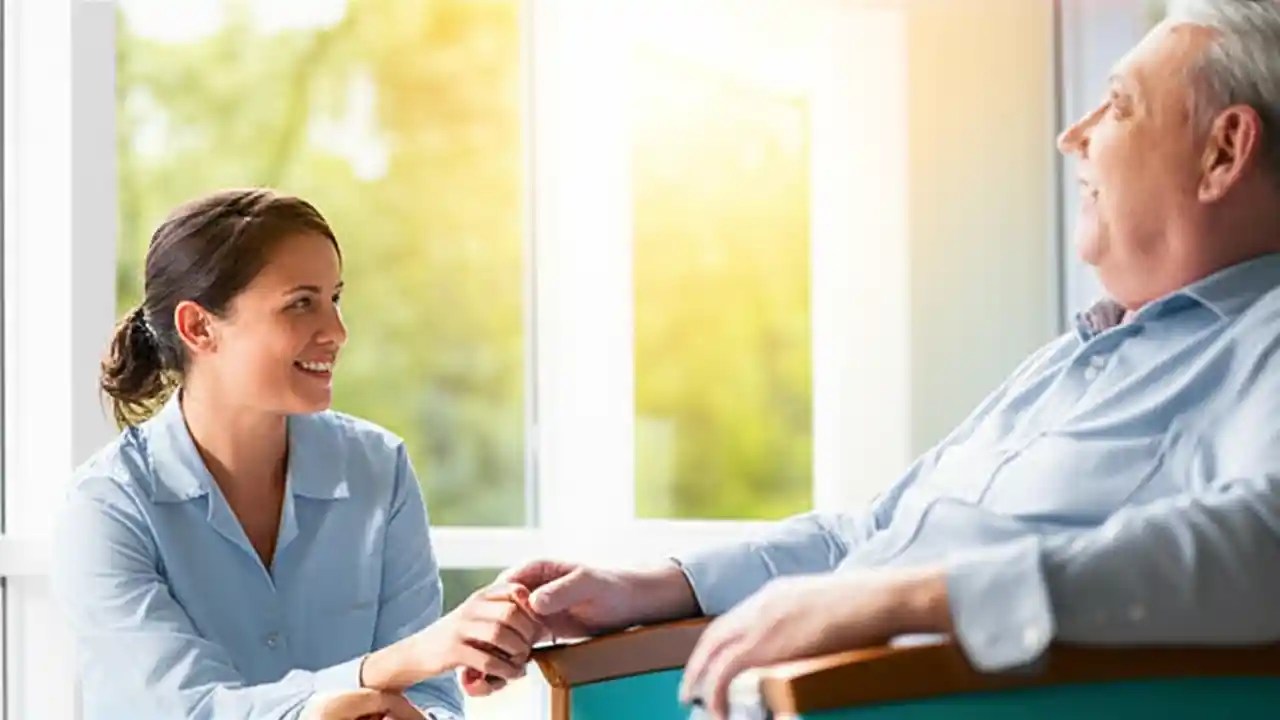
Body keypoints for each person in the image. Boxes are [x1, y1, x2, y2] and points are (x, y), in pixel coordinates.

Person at [497, 2, 1280, 717]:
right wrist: (658, 585)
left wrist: (902, 601)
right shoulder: (1075, 356)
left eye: (1121, 104)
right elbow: (875, 529)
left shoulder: (1263, 338)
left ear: (1224, 150)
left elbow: (1265, 541)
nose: (1073, 133)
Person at [52, 189, 539, 720]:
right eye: (301, 303)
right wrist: (388, 667)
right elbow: (190, 710)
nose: (336, 332)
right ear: (199, 328)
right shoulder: (107, 508)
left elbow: (433, 699)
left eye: (335, 298)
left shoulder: (379, 470)